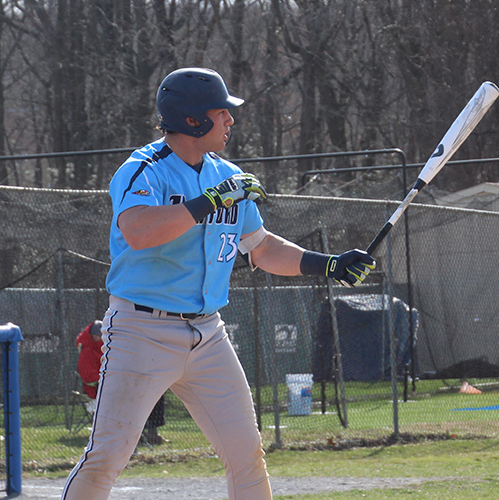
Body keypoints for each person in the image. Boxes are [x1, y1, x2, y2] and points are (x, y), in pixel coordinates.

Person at [61, 67, 376, 500]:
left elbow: (261, 249)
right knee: (107, 457)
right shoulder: (144, 170)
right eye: (221, 112)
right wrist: (212, 200)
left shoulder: (226, 175)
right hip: (141, 331)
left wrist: (330, 265)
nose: (230, 120)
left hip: (208, 334)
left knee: (247, 455)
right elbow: (139, 231)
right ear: (193, 120)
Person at [75, 320, 166, 446]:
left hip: (116, 383)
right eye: (96, 335)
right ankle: (135, 435)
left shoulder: (107, 345)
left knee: (153, 394)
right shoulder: (87, 350)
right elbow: (89, 377)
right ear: (91, 335)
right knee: (134, 399)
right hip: (99, 390)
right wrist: (111, 379)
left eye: (100, 335)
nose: (98, 338)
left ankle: (151, 433)